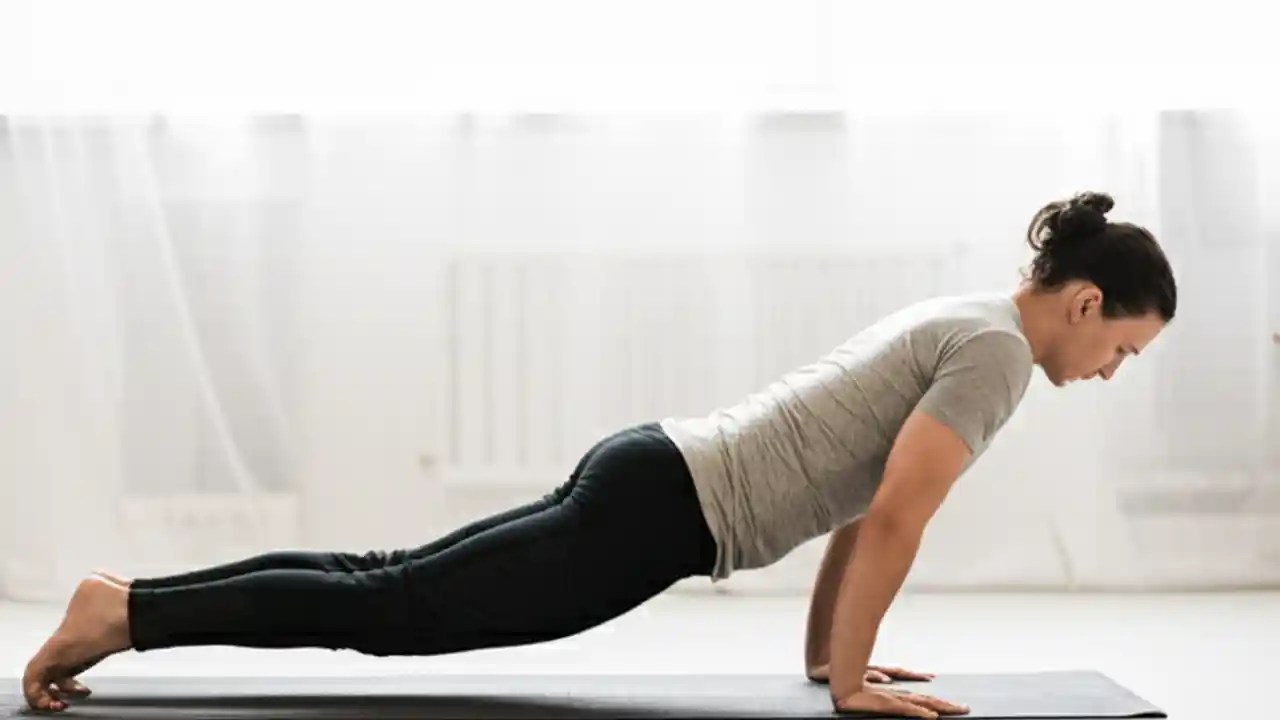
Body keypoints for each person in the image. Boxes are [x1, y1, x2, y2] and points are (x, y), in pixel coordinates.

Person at [22, 190, 1177, 717]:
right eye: (1122, 347)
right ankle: (126, 614)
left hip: (654, 472)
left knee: (389, 584)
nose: (1111, 372)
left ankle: (127, 603)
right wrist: (849, 682)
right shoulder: (992, 362)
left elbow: (860, 501)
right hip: (661, 512)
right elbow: (893, 521)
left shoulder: (972, 322)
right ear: (1081, 304)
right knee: (396, 610)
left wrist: (837, 661)